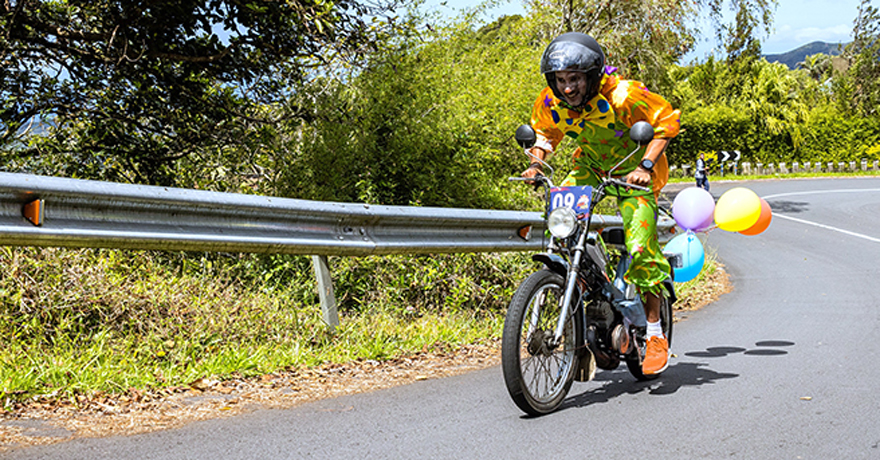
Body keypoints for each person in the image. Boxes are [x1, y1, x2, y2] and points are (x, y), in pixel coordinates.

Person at [521, 32, 681, 375]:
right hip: (591, 166)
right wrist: (536, 163)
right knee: (559, 222)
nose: (567, 88)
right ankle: (579, 310)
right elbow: (545, 134)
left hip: (633, 169)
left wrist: (646, 166)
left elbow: (666, 123)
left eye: (575, 79)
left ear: (592, 76)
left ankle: (654, 334)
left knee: (640, 247)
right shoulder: (551, 101)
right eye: (561, 80)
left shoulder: (624, 96)